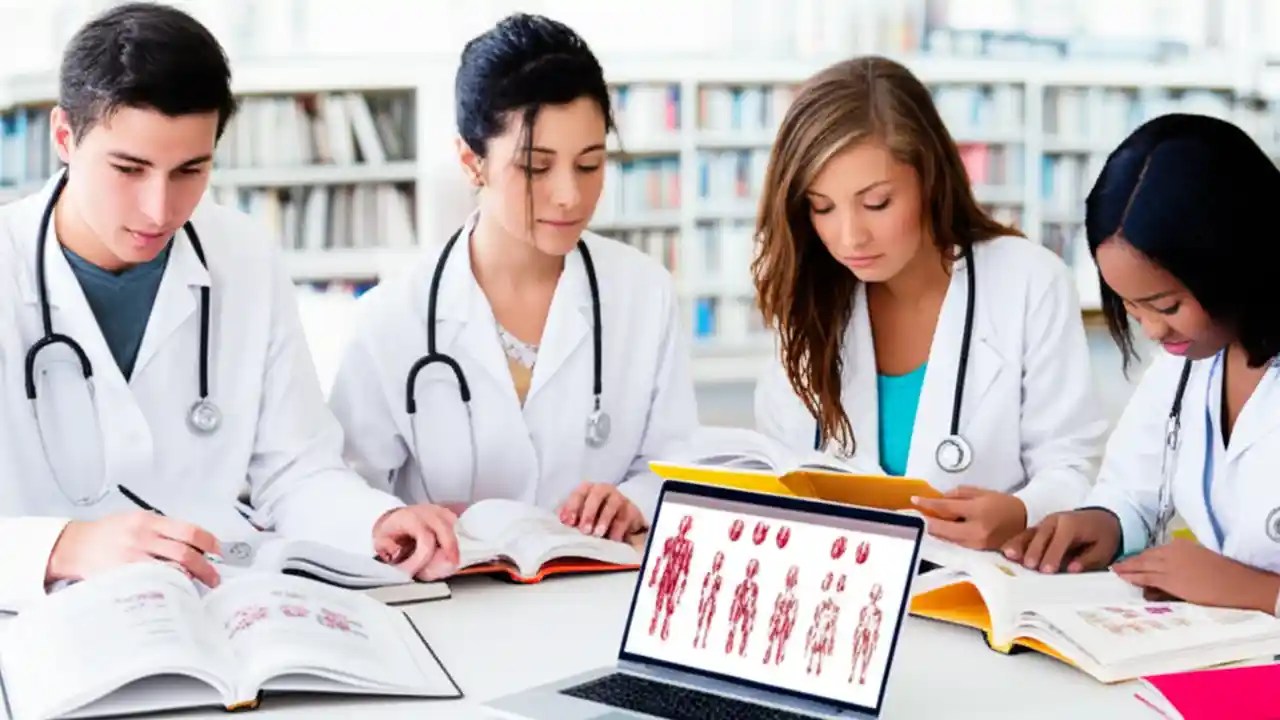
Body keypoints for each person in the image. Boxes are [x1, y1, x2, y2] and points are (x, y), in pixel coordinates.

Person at [0, 3, 458, 612]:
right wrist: (63, 547)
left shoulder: (241, 255)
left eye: (191, 170)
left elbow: (295, 470)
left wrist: (374, 522)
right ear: (64, 137)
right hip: (44, 624)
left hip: (217, 609)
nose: (159, 210)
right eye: (128, 169)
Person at [327, 13, 698, 541]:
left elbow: (674, 460)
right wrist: (387, 521)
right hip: (449, 602)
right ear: (471, 161)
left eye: (589, 165)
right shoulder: (394, 315)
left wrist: (633, 501)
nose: (569, 195)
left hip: (598, 593)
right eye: (535, 168)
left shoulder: (643, 293)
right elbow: (345, 487)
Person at [751, 56, 1107, 550]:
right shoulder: (809, 297)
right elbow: (780, 465)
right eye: (822, 207)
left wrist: (1023, 511)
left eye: (876, 202)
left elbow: (1071, 464)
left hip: (978, 588)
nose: (850, 236)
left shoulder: (1029, 281)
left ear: (930, 178)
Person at [1001, 114, 1280, 615]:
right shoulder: (1190, 360)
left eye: (1168, 306)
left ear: (1236, 263)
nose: (1152, 330)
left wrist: (1262, 593)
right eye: (1133, 307)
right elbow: (1136, 485)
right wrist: (1105, 523)